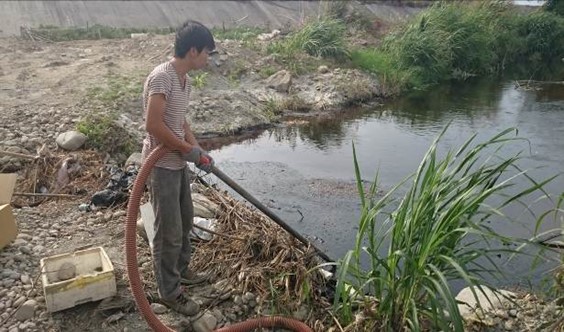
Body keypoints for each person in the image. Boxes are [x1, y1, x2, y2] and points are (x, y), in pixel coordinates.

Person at [141, 20, 216, 316]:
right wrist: (187, 150)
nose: (208, 59)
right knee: (168, 230)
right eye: (206, 53)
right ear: (193, 50)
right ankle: (169, 292)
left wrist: (197, 148)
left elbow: (180, 121)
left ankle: (182, 271)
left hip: (177, 165)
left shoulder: (184, 80)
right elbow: (153, 125)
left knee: (185, 222)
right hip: (160, 167)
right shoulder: (162, 77)